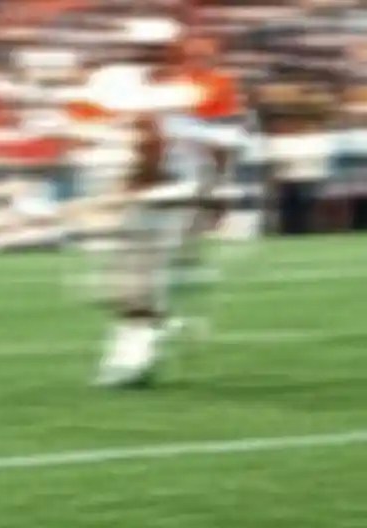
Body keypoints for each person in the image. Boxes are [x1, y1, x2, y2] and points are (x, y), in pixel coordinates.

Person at [70, 19, 250, 388]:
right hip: (123, 190)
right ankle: (149, 328)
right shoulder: (111, 82)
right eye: (141, 49)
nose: (147, 57)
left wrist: (216, 192)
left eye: (155, 49)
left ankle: (135, 351)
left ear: (174, 48)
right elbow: (86, 130)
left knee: (140, 275)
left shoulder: (205, 86)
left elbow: (223, 145)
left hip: (175, 192)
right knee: (114, 280)